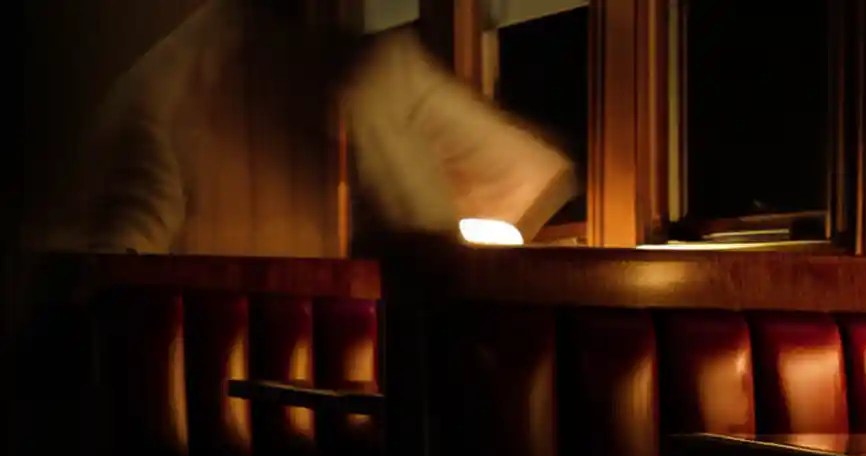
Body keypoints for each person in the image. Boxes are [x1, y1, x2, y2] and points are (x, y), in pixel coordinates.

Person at [40, 0, 575, 256]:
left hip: (357, 389)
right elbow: (116, 271)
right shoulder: (170, 90)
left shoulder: (380, 74)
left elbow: (531, 178)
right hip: (250, 412)